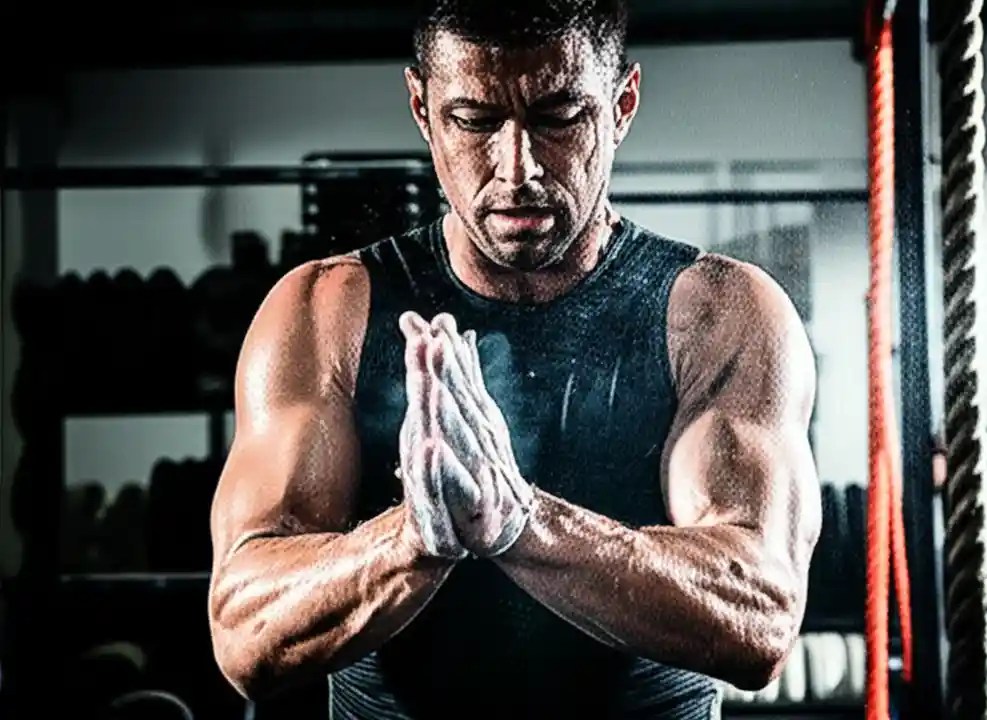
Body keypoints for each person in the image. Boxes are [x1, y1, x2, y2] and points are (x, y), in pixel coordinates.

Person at [206, 1, 823, 716]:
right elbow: (246, 638)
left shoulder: (719, 313)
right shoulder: (325, 310)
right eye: (474, 121)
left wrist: (519, 523)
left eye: (560, 118)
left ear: (621, 105)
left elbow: (760, 618)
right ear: (422, 110)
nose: (518, 168)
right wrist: (413, 537)